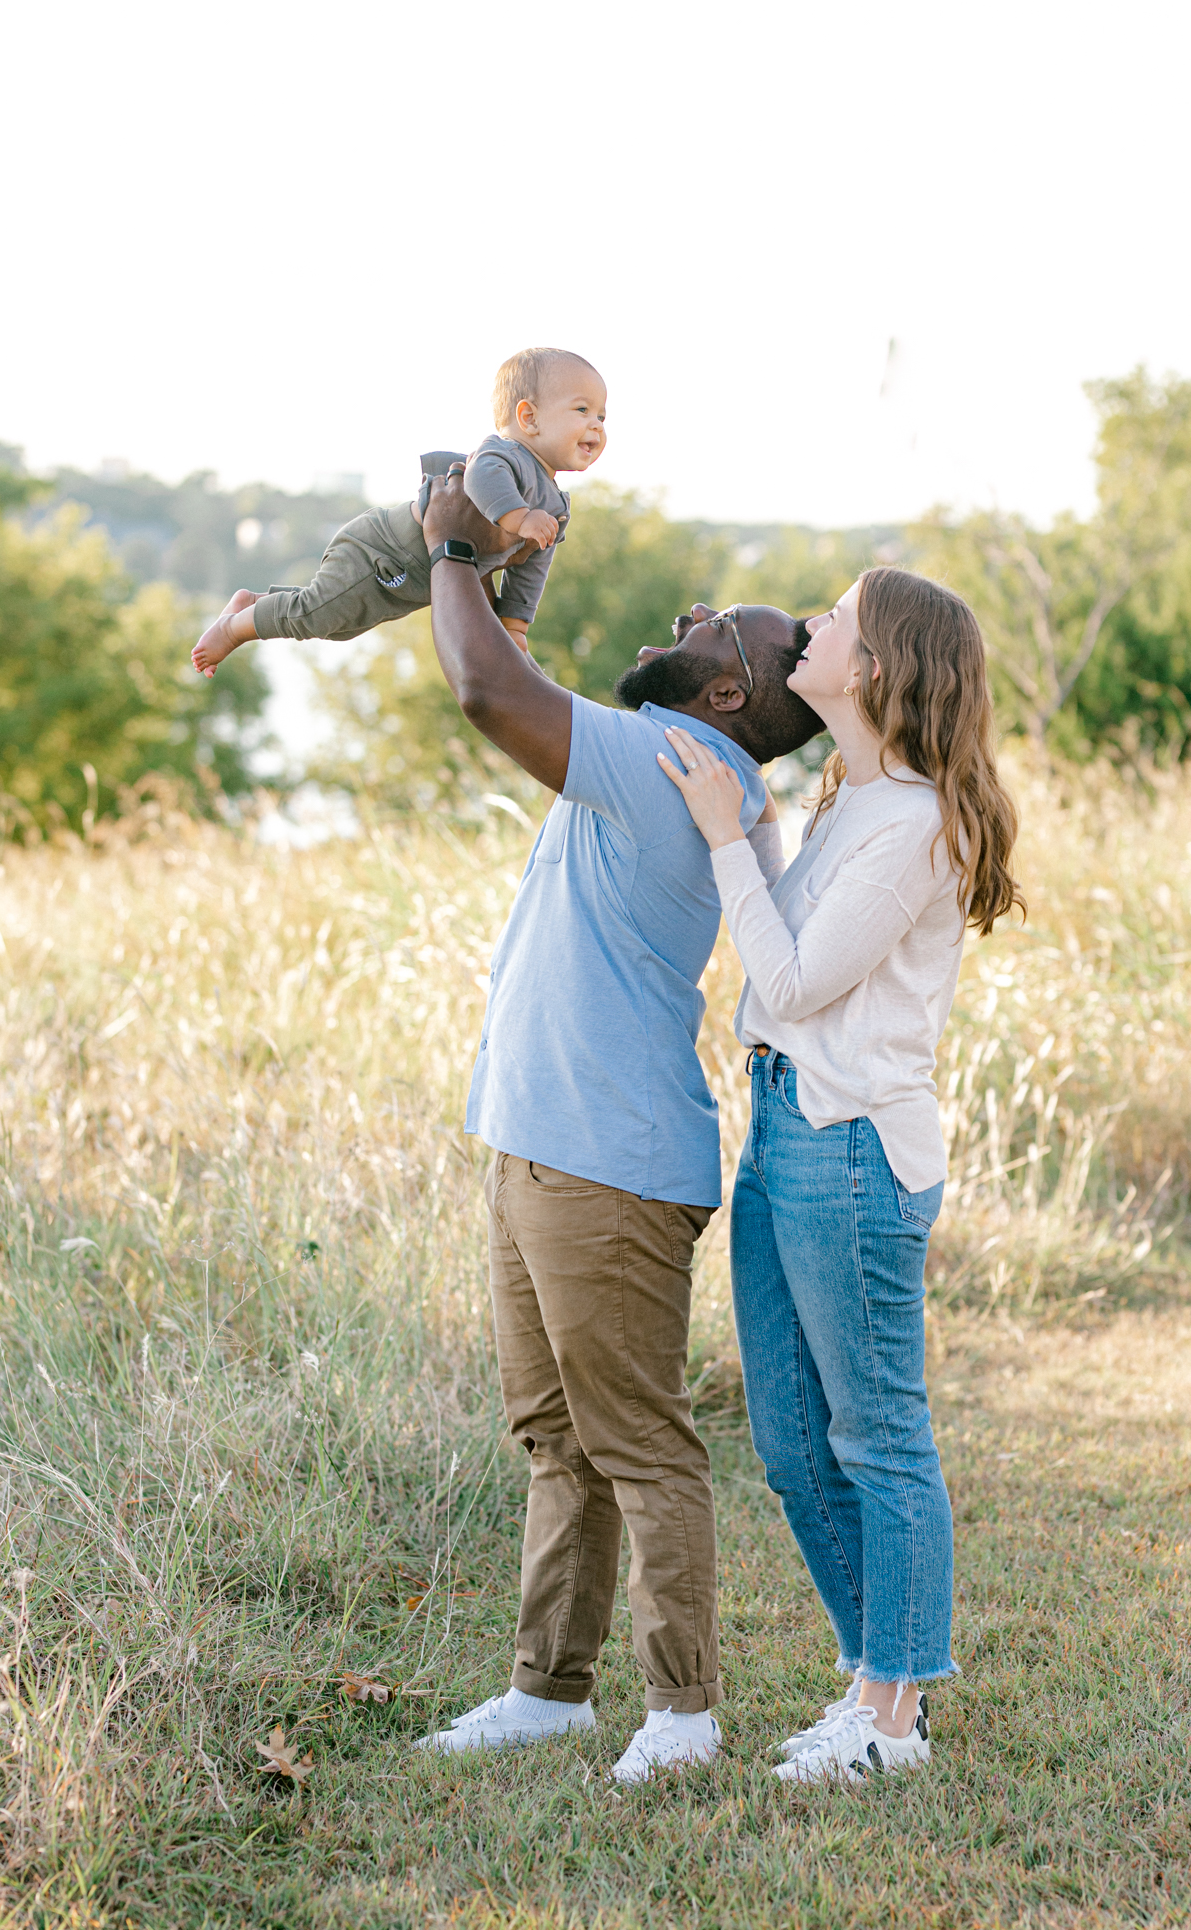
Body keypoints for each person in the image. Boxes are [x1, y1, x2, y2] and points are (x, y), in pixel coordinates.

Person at [408, 466, 823, 1782]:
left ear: (727, 695)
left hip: (605, 1163)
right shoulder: (673, 755)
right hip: (543, 1139)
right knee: (555, 1439)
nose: (696, 611)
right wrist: (508, 564)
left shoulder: (674, 757)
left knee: (635, 1441)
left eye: (724, 628)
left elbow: (484, 689)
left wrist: (451, 548)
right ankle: (548, 1690)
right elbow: (511, 665)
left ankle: (683, 1716)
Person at [656, 566, 1023, 1785]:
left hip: (855, 1144)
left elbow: (795, 982)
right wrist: (743, 820)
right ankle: (875, 1678)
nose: (807, 624)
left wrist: (725, 845)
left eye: (834, 618)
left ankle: (891, 1718)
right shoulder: (848, 802)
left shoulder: (914, 820)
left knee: (876, 1433)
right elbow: (785, 972)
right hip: (783, 1129)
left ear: (870, 668)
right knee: (788, 1437)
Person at [189, 347, 605, 671]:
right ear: (528, 417)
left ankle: (253, 602)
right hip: (382, 550)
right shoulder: (502, 454)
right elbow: (481, 479)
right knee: (316, 614)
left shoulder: (555, 506)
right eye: (583, 410)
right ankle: (234, 629)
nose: (597, 425)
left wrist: (515, 624)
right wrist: (519, 517)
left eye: (603, 416)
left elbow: (531, 568)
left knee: (340, 628)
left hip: (408, 581)